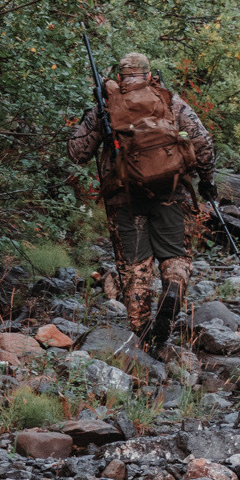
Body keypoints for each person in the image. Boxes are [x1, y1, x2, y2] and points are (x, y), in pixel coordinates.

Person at [69, 49, 218, 348]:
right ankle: (173, 288)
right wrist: (207, 182)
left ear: (120, 78)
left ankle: (143, 338)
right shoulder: (170, 101)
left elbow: (77, 153)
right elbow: (202, 141)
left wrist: (96, 112)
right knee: (176, 255)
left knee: (135, 267)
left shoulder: (107, 105)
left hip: (124, 198)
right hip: (171, 191)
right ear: (150, 75)